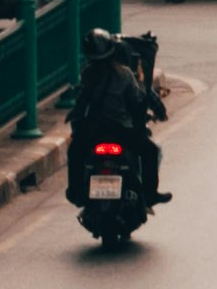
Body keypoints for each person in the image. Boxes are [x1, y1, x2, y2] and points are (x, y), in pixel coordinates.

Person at [66, 12, 170, 218]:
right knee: (149, 152)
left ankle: (76, 191)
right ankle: (150, 195)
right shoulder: (124, 74)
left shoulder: (87, 74)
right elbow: (137, 99)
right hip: (121, 130)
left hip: (92, 131)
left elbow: (81, 103)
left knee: (75, 152)